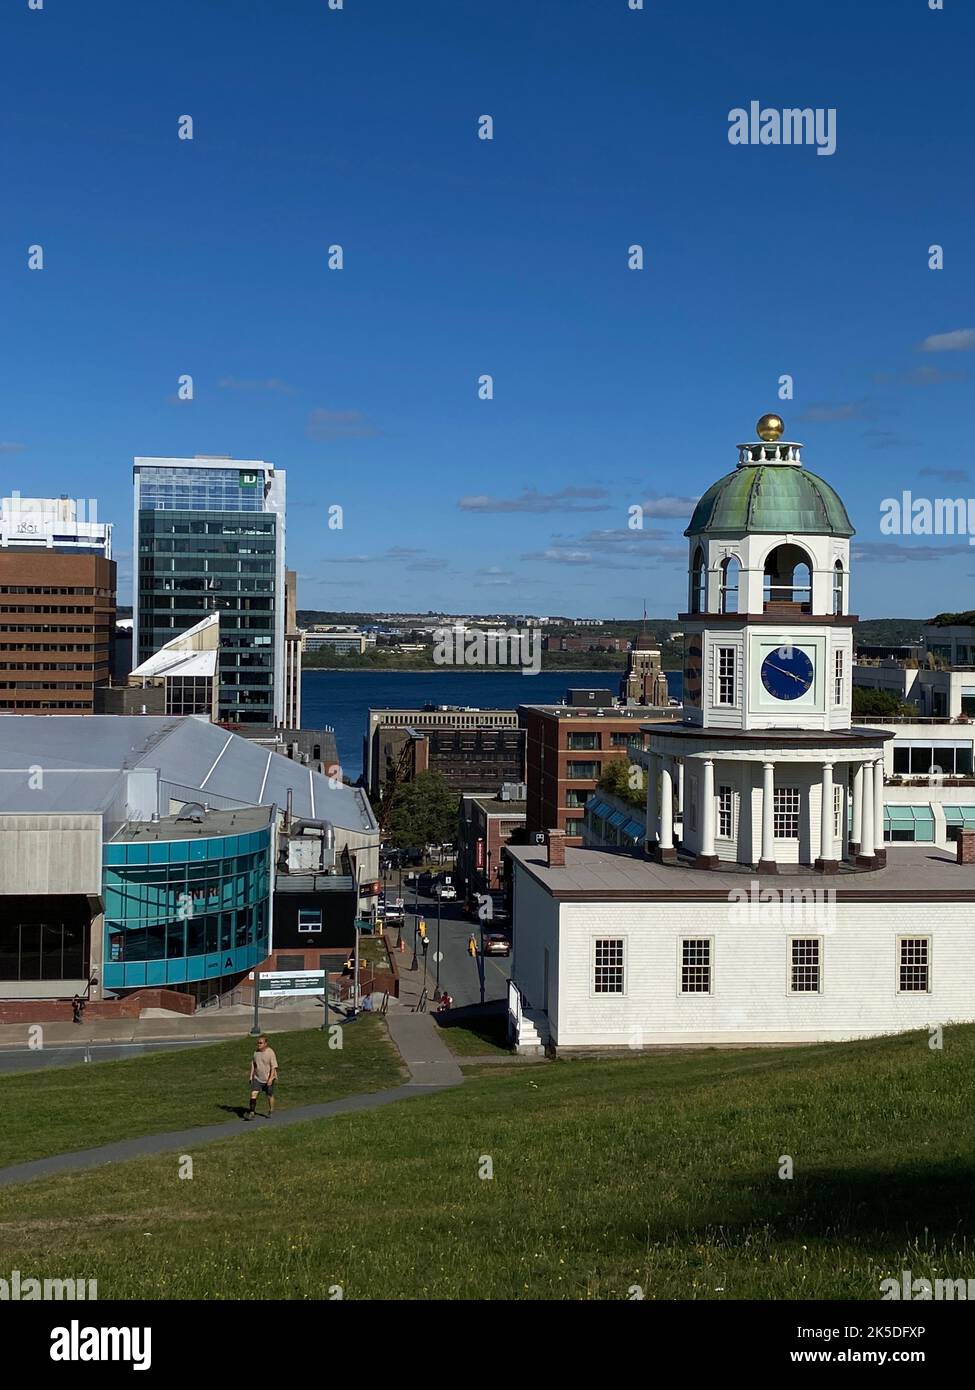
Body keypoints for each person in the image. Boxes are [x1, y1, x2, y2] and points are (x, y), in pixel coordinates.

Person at [246, 1035, 279, 1119]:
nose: (258, 1044)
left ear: (265, 1044)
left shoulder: (270, 1052)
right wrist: (251, 1076)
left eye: (260, 1043)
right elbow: (254, 1064)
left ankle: (271, 1110)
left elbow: (273, 1067)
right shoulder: (256, 1052)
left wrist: (270, 1079)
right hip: (258, 1078)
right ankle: (252, 1113)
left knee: (269, 1095)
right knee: (253, 1094)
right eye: (258, 1043)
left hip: (268, 1078)